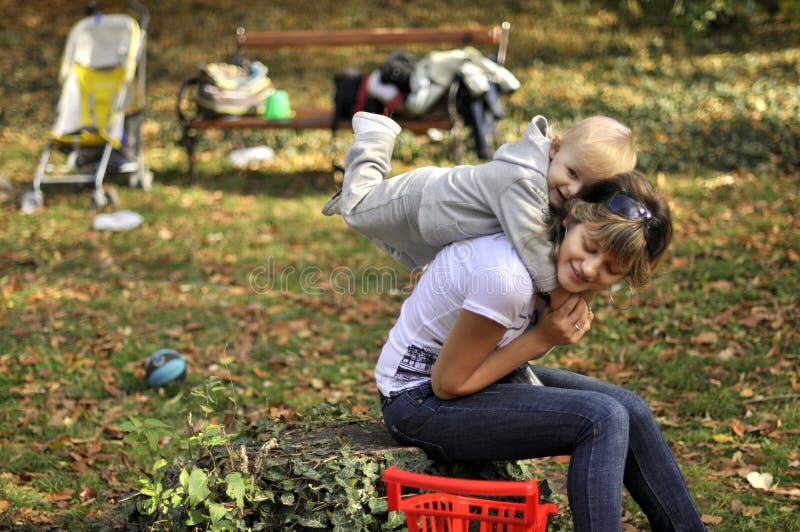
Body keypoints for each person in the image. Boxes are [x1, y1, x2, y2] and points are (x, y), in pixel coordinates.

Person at [375, 172, 706, 531]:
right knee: (601, 418)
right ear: (571, 219)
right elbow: (448, 385)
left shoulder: (551, 261)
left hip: (479, 378)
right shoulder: (507, 278)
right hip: (418, 402)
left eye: (612, 269)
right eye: (591, 247)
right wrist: (543, 337)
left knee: (632, 410)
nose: (591, 268)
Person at [322, 111, 636, 293]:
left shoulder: (550, 185)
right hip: (421, 200)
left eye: (586, 187)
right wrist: (559, 295)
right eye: (571, 172)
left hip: (437, 221)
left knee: (397, 243)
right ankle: (375, 135)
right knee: (358, 209)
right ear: (556, 147)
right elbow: (534, 247)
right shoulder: (522, 180)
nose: (572, 189)